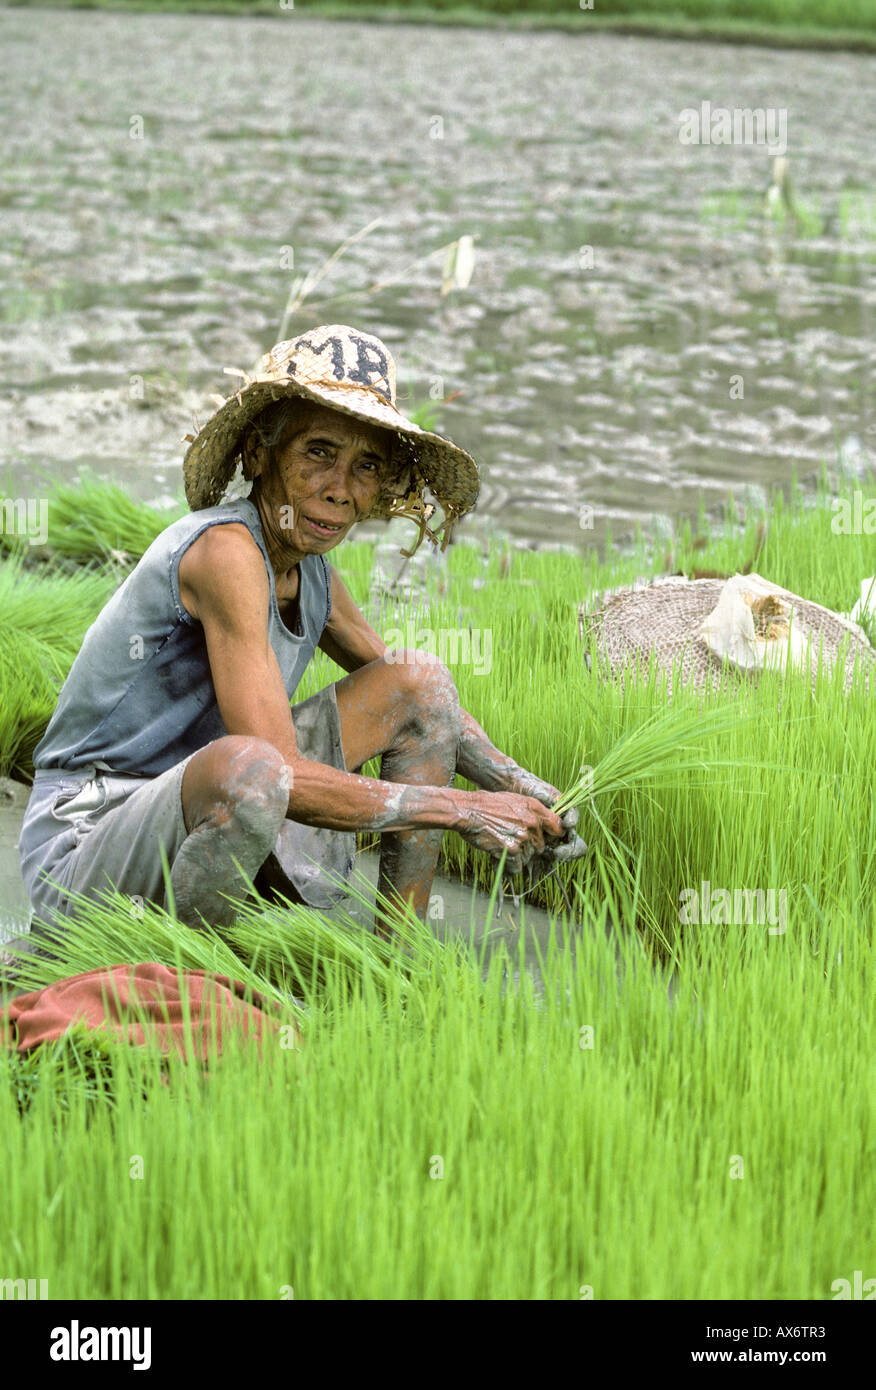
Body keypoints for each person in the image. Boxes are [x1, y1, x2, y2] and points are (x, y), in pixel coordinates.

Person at [18, 325, 586, 935]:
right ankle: (194, 975)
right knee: (255, 767)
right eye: (319, 451)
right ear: (259, 455)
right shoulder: (226, 554)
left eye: (365, 465)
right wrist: (465, 810)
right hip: (90, 843)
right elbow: (276, 772)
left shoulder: (310, 572)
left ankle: (401, 956)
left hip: (204, 816)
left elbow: (426, 704)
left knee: (419, 680)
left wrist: (518, 788)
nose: (339, 489)